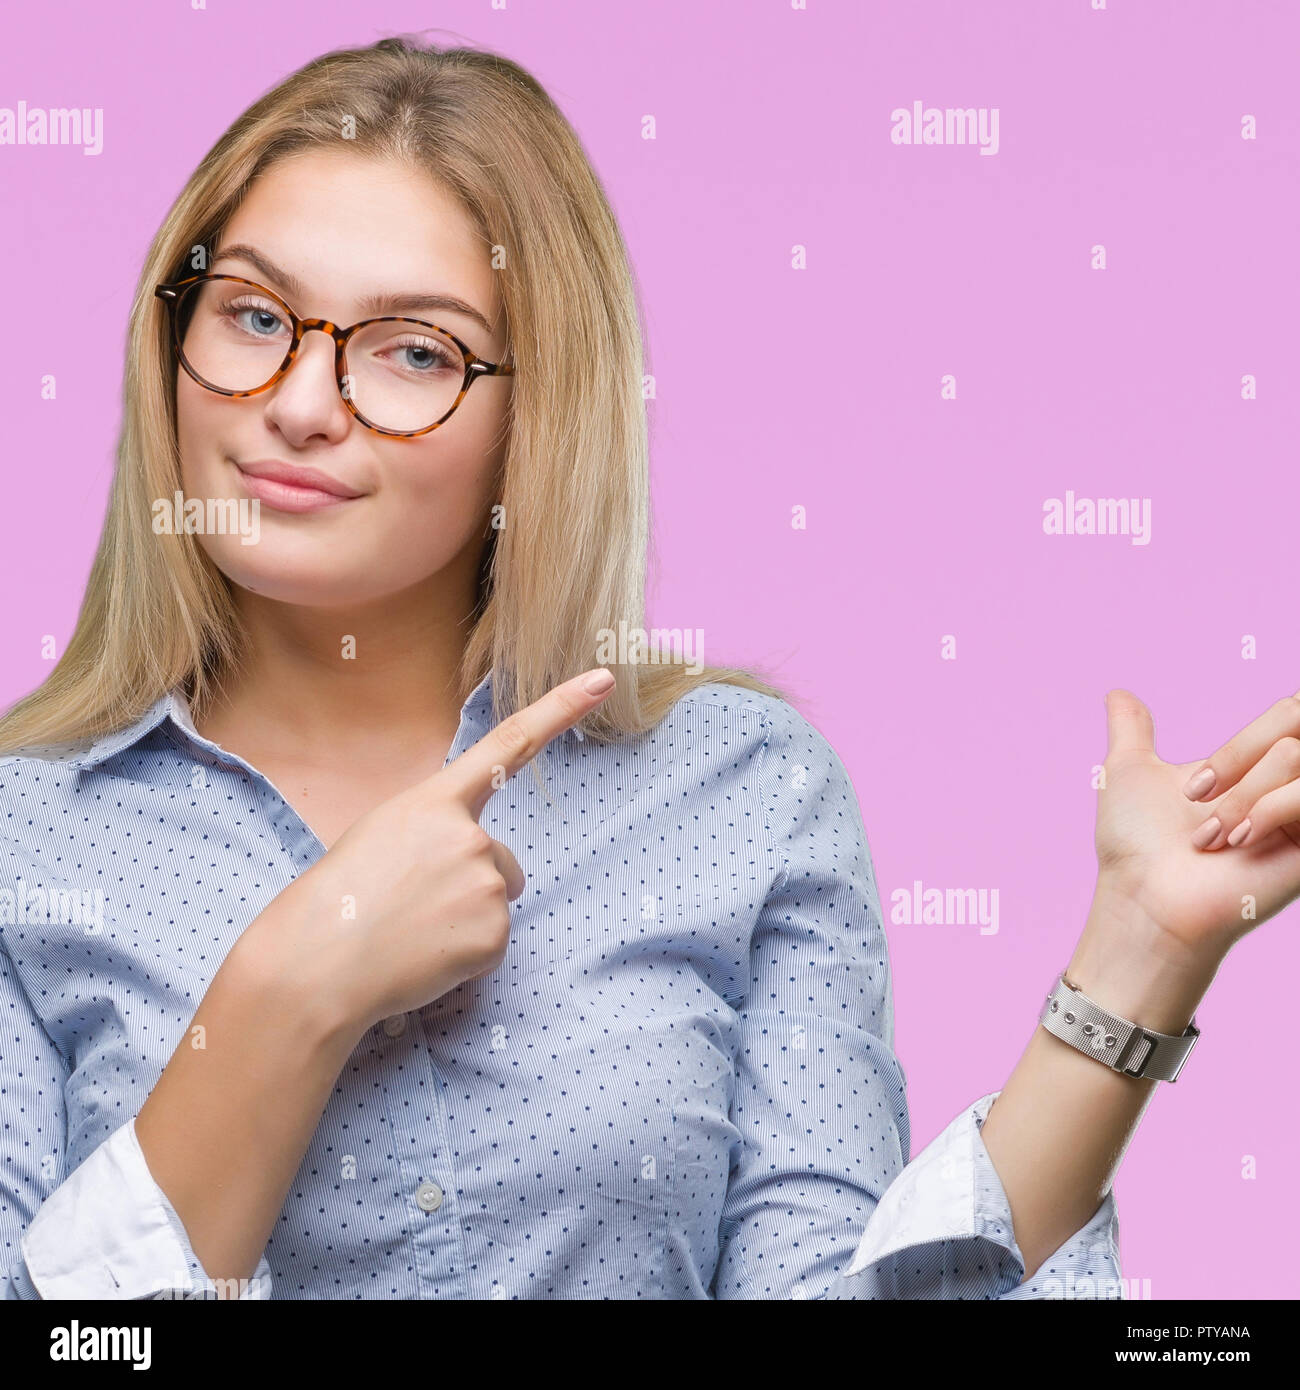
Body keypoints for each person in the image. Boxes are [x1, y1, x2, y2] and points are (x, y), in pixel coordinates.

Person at [2, 36, 1297, 1301]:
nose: (297, 402)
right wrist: (295, 988)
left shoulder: (743, 789)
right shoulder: (22, 839)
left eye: (414, 351)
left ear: (538, 415)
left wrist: (1138, 958)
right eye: (254, 314)